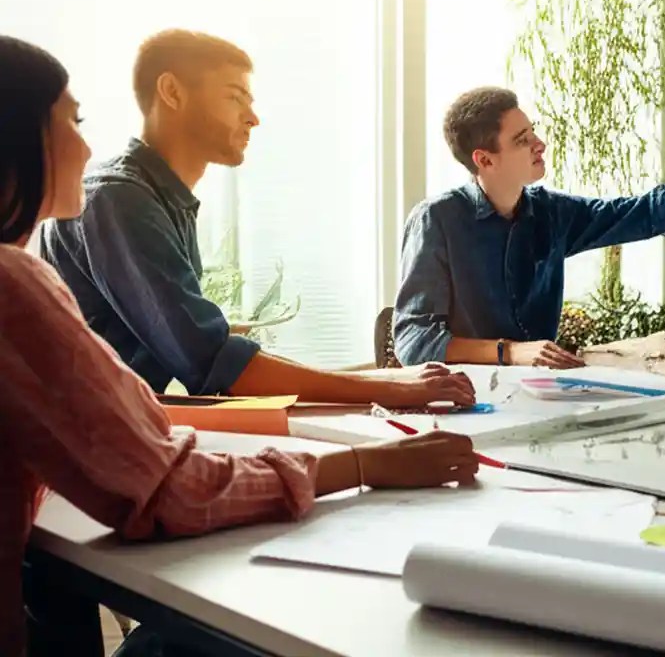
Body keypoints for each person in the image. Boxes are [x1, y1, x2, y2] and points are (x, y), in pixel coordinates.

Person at [0, 35, 479, 657]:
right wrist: (369, 457)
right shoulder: (60, 242)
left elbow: (137, 390)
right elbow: (180, 445)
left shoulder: (156, 206)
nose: (85, 144)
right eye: (71, 119)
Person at [39, 29, 474, 408]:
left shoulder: (162, 199)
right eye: (235, 97)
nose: (253, 117)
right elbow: (212, 362)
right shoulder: (120, 199)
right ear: (171, 92)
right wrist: (390, 387)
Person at [393, 86, 665, 368]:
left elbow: (641, 212)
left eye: (533, 130)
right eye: (522, 139)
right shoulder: (437, 221)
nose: (540, 143)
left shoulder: (549, 213)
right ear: (485, 159)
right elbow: (414, 342)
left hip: (539, 394)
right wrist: (511, 353)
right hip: (464, 404)